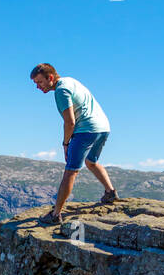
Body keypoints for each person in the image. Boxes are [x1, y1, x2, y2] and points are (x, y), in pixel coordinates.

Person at [29, 63, 118, 225]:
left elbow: (70, 122)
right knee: (91, 161)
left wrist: (66, 143)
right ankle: (110, 192)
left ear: (50, 78)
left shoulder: (61, 91)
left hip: (86, 130)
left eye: (40, 82)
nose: (38, 87)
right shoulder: (70, 81)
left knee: (70, 171)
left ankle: (56, 215)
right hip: (103, 127)